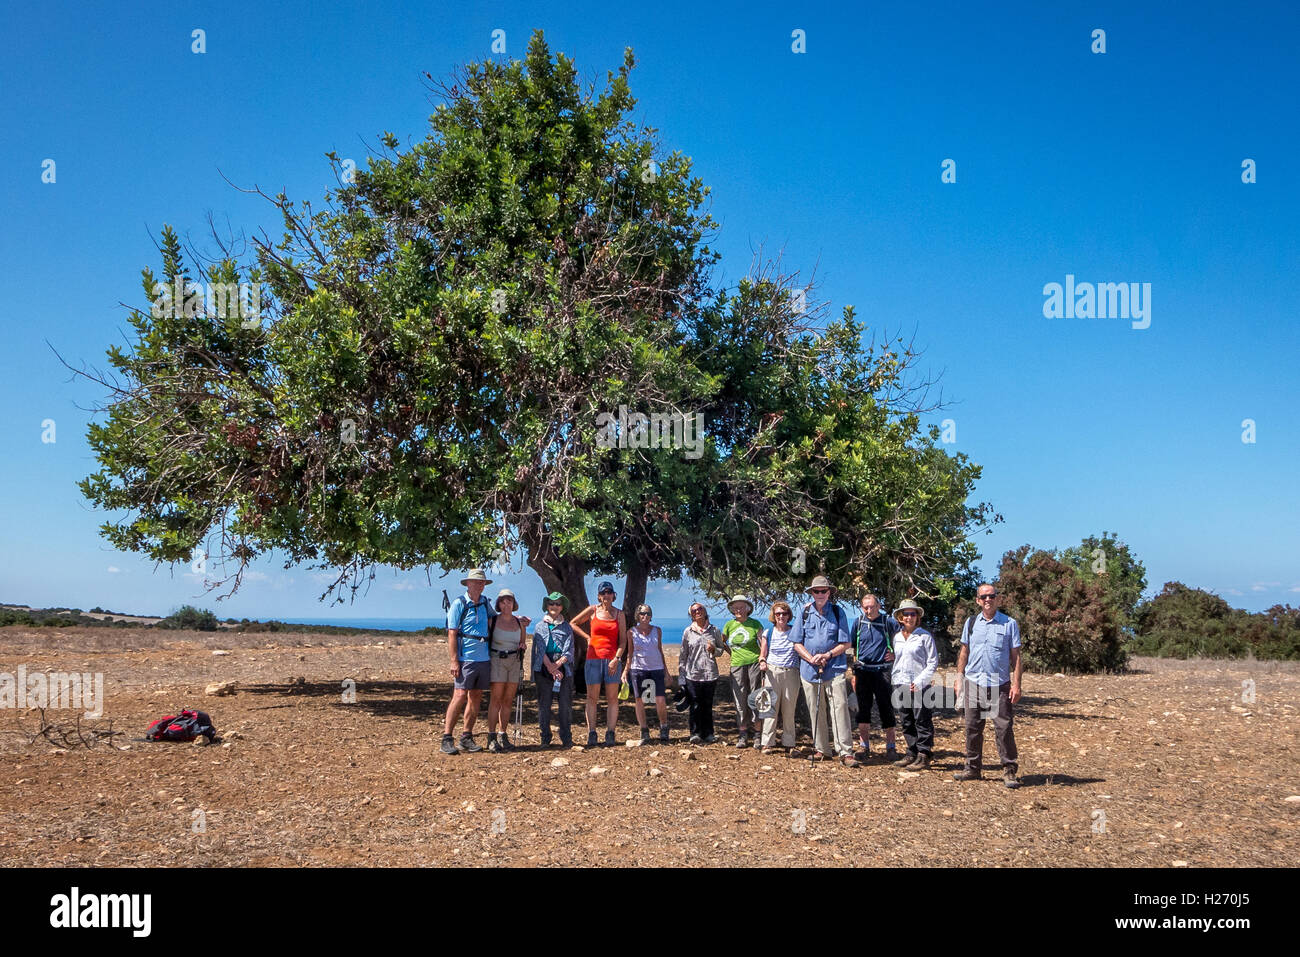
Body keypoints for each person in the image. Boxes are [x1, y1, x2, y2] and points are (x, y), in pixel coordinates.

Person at [953, 583, 1023, 788]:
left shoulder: (1009, 623)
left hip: (999, 684)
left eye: (991, 596)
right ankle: (972, 768)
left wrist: (1016, 684)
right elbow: (964, 651)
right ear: (978, 600)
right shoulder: (971, 623)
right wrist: (959, 677)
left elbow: (1016, 657)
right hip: (973, 682)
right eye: (983, 597)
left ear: (998, 599)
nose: (987, 600)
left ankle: (1009, 770)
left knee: (1003, 728)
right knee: (972, 727)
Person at [789, 575, 860, 767]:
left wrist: (827, 655)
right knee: (815, 709)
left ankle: (845, 752)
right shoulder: (804, 612)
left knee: (839, 708)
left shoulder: (838, 612)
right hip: (809, 670)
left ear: (829, 592)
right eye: (816, 591)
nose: (820, 594)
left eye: (823, 591)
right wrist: (811, 658)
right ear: (812, 593)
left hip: (834, 668)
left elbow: (846, 643)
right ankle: (822, 749)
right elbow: (796, 642)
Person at [441, 569, 494, 755]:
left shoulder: (485, 603)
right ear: (468, 583)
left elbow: (494, 621)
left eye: (482, 582)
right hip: (466, 659)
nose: (480, 585)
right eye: (476, 582)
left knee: (476, 696)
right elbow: (452, 633)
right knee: (460, 695)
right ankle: (447, 737)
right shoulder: (459, 604)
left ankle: (466, 736)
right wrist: (454, 661)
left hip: (483, 658)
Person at [569, 581, 629, 747]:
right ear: (599, 596)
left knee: (612, 698)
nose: (606, 595)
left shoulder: (619, 614)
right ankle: (592, 733)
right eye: (603, 593)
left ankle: (610, 732)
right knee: (591, 698)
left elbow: (623, 641)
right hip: (593, 659)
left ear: (614, 595)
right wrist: (587, 637)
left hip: (612, 661)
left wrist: (617, 659)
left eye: (609, 592)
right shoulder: (593, 610)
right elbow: (573, 623)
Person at [890, 599, 938, 770]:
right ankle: (912, 751)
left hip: (919, 684)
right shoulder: (897, 637)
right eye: (906, 614)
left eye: (912, 614)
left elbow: (932, 662)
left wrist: (920, 681)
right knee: (906, 720)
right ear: (900, 617)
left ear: (917, 617)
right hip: (900, 682)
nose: (909, 617)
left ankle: (924, 754)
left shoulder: (924, 636)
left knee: (922, 719)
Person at [849, 593, 898, 761]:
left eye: (872, 607)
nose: (869, 610)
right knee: (863, 709)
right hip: (863, 671)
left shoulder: (888, 622)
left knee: (886, 708)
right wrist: (854, 673)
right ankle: (864, 746)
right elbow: (853, 648)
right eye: (865, 607)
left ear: (879, 606)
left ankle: (891, 747)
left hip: (882, 670)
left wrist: (895, 654)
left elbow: (902, 641)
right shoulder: (858, 622)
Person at [486, 589, 531, 753]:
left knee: (508, 700)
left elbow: (522, 642)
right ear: (498, 604)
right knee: (496, 699)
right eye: (503, 602)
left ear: (514, 604)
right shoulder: (492, 621)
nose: (506, 605)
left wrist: (522, 646)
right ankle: (491, 737)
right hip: (497, 660)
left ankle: (502, 734)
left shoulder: (519, 623)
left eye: (509, 601)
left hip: (514, 662)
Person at [677, 601, 727, 744]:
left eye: (700, 609)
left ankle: (708, 733)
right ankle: (695, 733)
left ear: (705, 611)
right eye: (694, 611)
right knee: (695, 705)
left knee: (707, 705)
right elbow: (683, 655)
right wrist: (681, 676)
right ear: (691, 615)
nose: (697, 611)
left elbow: (721, 650)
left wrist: (714, 650)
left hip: (710, 674)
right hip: (692, 674)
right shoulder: (688, 631)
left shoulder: (714, 630)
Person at [533, 592, 575, 748]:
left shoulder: (567, 627)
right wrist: (550, 667)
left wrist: (557, 665)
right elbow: (539, 649)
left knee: (565, 704)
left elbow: (569, 650)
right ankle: (545, 737)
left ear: (562, 607)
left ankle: (566, 737)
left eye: (558, 604)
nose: (554, 606)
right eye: (551, 603)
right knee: (544, 704)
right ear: (547, 606)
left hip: (563, 667)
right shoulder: (539, 626)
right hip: (543, 667)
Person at [758, 600, 800, 755]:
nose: (781, 616)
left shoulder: (795, 632)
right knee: (770, 708)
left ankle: (789, 743)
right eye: (778, 614)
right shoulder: (768, 633)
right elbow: (763, 654)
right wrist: (762, 662)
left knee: (789, 709)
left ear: (789, 615)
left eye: (784, 613)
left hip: (791, 673)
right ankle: (767, 743)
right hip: (772, 673)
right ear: (773, 616)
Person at [722, 595, 764, 748]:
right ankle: (743, 734)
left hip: (754, 664)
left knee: (756, 697)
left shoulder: (755, 624)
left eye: (741, 607)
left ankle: (757, 734)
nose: (738, 610)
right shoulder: (729, 625)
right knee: (739, 698)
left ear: (747, 609)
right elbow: (722, 641)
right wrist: (731, 653)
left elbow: (763, 642)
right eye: (735, 608)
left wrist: (763, 658)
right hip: (737, 665)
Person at [624, 604, 670, 745]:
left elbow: (660, 650)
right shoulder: (631, 632)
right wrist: (625, 671)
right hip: (638, 669)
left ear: (651, 616)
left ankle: (664, 727)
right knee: (639, 700)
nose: (645, 616)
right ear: (637, 616)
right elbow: (630, 653)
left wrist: (666, 671)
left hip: (656, 668)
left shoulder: (657, 630)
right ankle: (644, 729)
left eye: (648, 613)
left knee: (660, 699)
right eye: (642, 613)